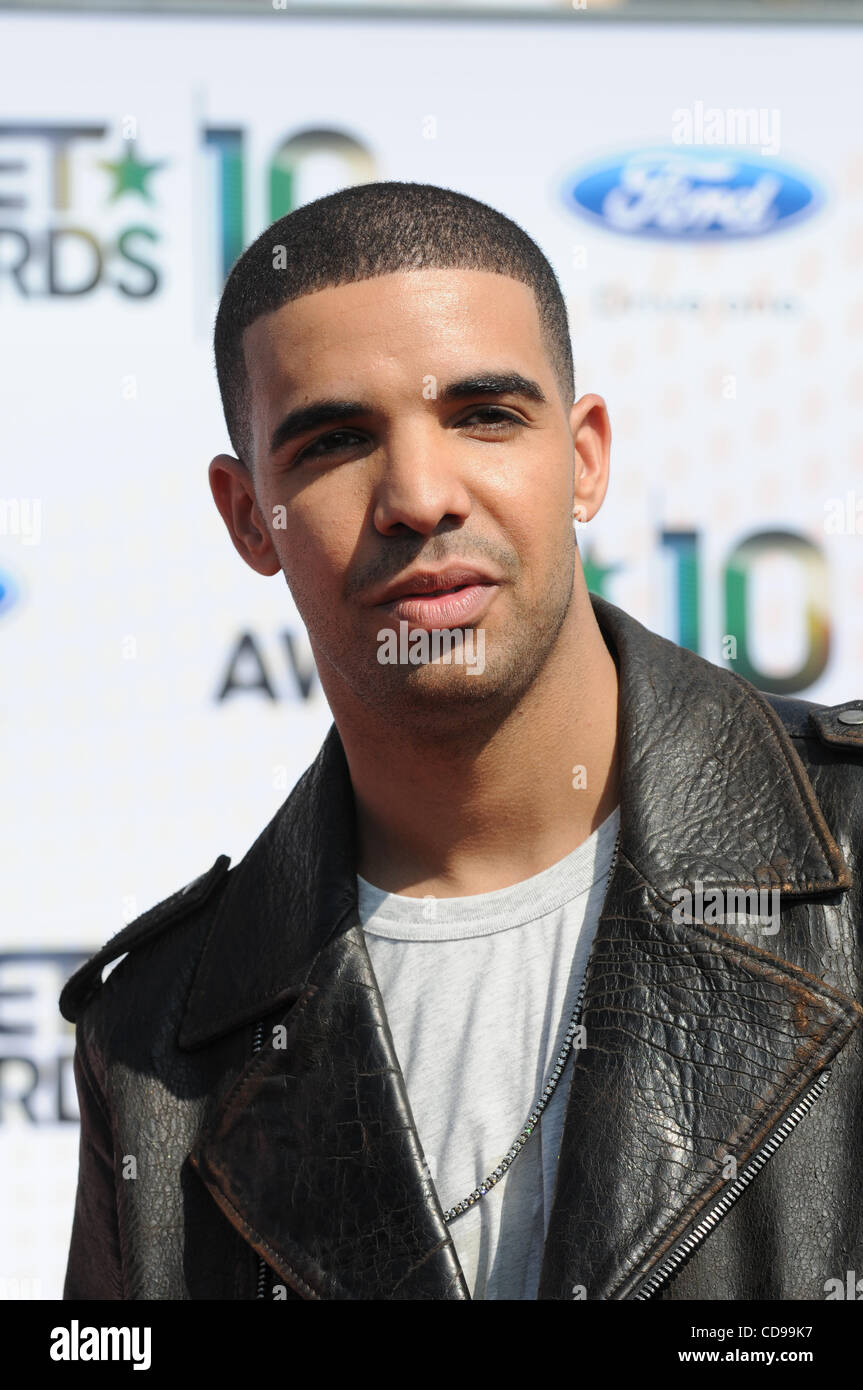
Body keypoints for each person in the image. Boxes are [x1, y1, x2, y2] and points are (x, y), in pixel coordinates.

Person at [60, 181, 863, 1301]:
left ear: (582, 457)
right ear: (249, 517)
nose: (420, 496)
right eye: (335, 440)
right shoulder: (159, 1043)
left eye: (484, 415)